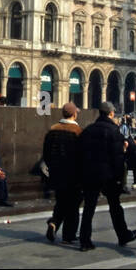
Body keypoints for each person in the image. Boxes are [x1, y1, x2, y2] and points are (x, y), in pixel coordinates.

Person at [78, 102, 136, 251]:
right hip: (109, 175)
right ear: (111, 114)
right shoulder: (114, 131)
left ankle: (85, 241)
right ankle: (123, 234)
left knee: (89, 208)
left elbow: (81, 153)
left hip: (91, 174)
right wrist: (120, 177)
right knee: (115, 206)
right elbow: (117, 157)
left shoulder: (89, 130)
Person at [42, 102, 83, 244]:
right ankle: (69, 235)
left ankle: (54, 223)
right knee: (73, 204)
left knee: (61, 201)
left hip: (56, 173)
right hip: (73, 174)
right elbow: (81, 155)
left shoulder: (52, 130)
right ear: (74, 114)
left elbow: (46, 153)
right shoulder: (77, 131)